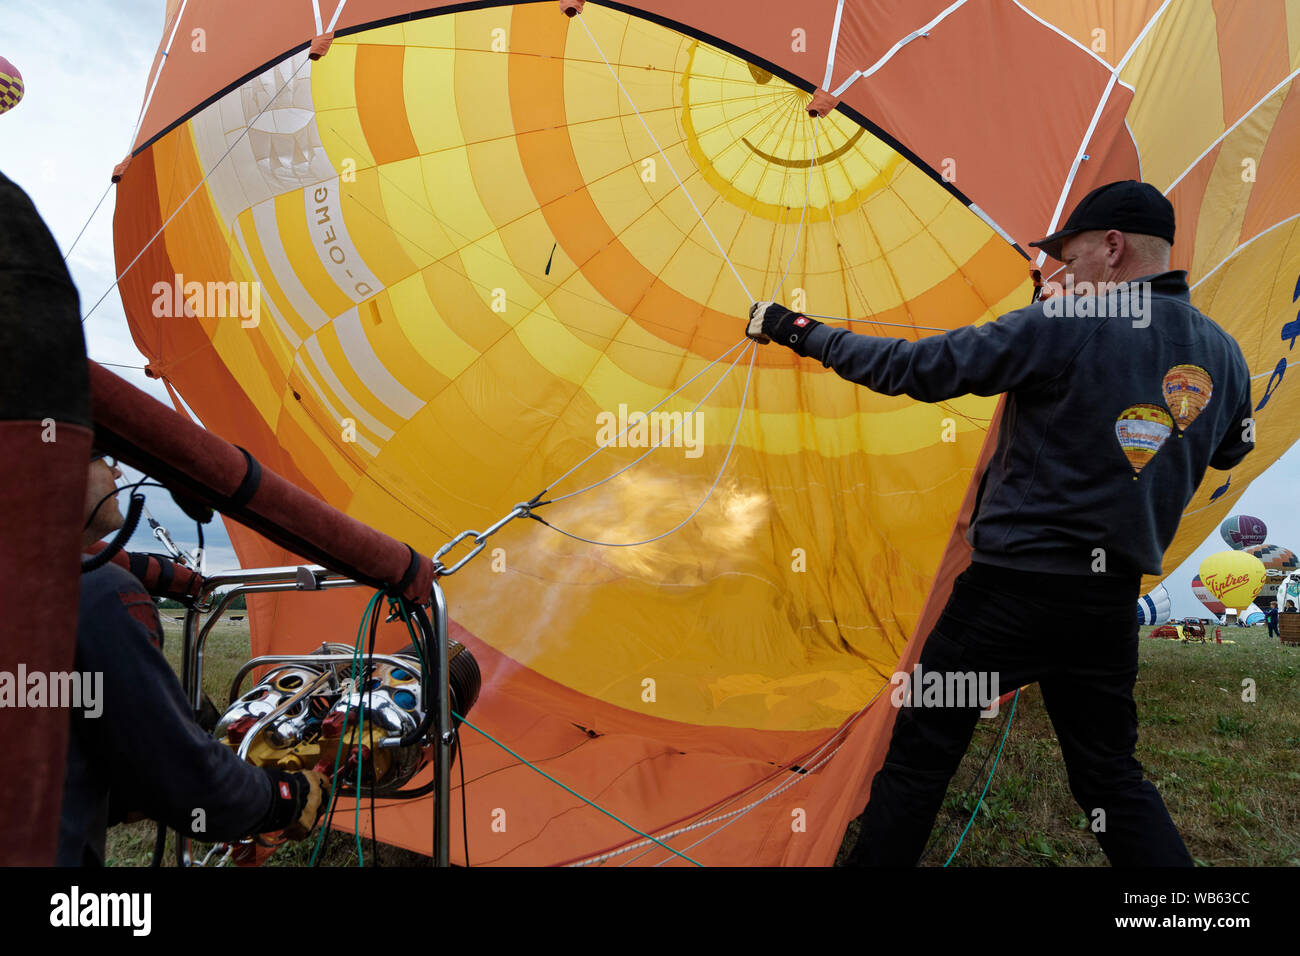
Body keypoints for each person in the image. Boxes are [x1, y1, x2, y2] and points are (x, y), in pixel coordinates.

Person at [746, 180, 1254, 866]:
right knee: (1110, 776)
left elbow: (914, 369)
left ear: (1110, 247)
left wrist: (798, 330)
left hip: (1009, 597)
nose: (1061, 276)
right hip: (1107, 608)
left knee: (922, 760)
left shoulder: (1069, 321)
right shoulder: (1224, 355)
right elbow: (1230, 447)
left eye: (1068, 261)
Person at [59, 449, 331, 865]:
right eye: (99, 454)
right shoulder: (101, 594)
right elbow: (185, 780)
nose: (117, 470)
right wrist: (286, 796)